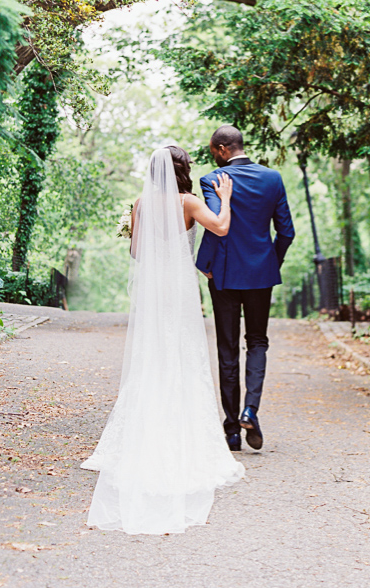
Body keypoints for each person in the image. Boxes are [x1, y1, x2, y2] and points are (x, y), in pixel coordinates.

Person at [81, 145, 246, 535]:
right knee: (183, 352)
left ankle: (144, 425)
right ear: (183, 170)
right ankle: (186, 430)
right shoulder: (188, 202)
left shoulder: (141, 203)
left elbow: (137, 252)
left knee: (152, 353)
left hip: (153, 288)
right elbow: (220, 227)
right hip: (179, 288)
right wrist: (224, 199)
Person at [194, 125, 295, 451]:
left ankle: (232, 430)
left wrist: (204, 265)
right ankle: (251, 409)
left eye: (213, 152)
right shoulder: (273, 179)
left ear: (222, 149)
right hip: (260, 277)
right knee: (258, 341)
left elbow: (215, 225)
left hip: (223, 276)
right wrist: (269, 264)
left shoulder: (213, 180)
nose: (214, 158)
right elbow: (287, 232)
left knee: (227, 350)